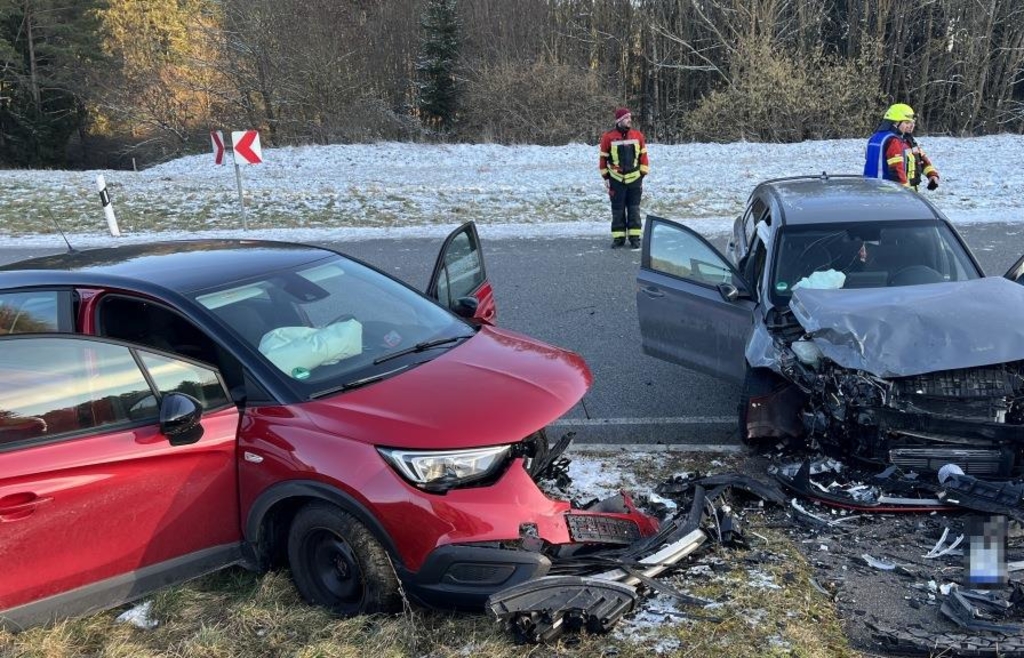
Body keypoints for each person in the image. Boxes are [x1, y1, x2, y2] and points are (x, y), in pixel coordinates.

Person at [599, 108, 649, 249]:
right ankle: (618, 238)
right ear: (619, 120)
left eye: (630, 118)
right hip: (616, 180)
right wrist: (606, 177)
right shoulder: (608, 137)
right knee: (617, 210)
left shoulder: (638, 135)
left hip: (635, 180)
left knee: (634, 210)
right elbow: (603, 159)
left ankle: (635, 238)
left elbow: (644, 157)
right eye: (626, 118)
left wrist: (642, 175)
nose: (629, 120)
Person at [864, 103, 940, 192]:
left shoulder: (876, 138)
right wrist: (906, 192)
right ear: (895, 123)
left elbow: (921, 160)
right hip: (892, 194)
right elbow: (897, 171)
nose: (911, 126)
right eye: (907, 122)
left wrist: (932, 175)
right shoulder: (893, 141)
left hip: (872, 190)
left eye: (912, 122)